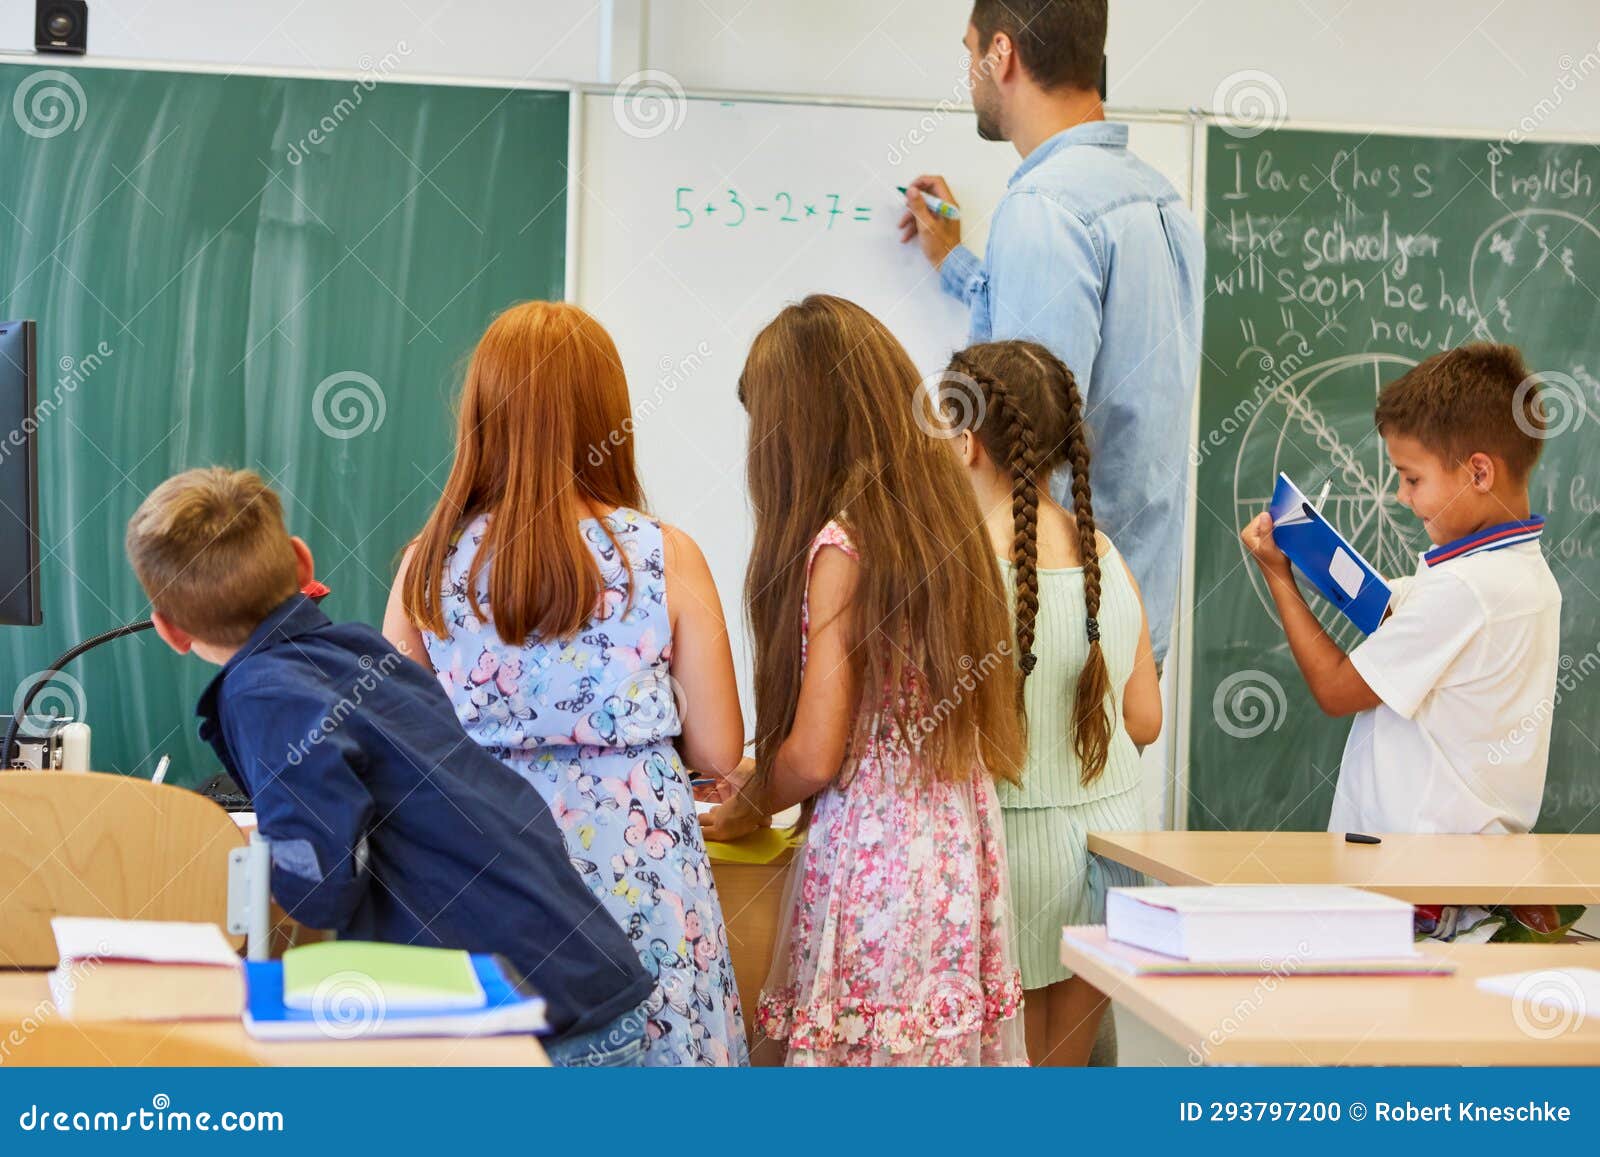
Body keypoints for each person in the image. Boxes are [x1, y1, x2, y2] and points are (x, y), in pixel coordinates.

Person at [126, 466, 655, 1066]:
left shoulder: (262, 693)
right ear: (303, 565)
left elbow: (320, 887)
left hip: (531, 1022)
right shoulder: (364, 653)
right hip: (575, 977)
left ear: (168, 629)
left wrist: (269, 864)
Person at [383, 301, 748, 1067]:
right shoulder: (663, 554)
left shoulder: (427, 563)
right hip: (640, 879)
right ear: (606, 416)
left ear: (481, 414)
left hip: (486, 870)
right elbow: (719, 750)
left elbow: (395, 741)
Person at [702, 295, 1028, 1066]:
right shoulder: (945, 522)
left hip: (876, 860)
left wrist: (752, 802)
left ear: (801, 427)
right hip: (952, 844)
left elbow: (818, 755)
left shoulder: (840, 544)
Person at [900, 0, 1203, 668]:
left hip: (1050, 637)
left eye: (970, 50)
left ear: (1001, 54)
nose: (970, 72)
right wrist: (953, 260)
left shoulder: (1045, 211)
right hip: (1122, 625)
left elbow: (1028, 442)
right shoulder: (1160, 202)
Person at [1240, 343, 1561, 836]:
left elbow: (1336, 689)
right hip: (1450, 868)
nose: (1401, 496)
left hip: (1421, 874)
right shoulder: (1518, 573)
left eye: (1412, 479)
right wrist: (1315, 550)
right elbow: (1396, 619)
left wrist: (1279, 574)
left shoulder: (1466, 588)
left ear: (1478, 472)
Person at [945, 340, 1160, 1065]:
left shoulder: (955, 567)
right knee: (1066, 1083)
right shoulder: (1107, 556)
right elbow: (1144, 720)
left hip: (1006, 854)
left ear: (968, 441)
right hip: (1112, 854)